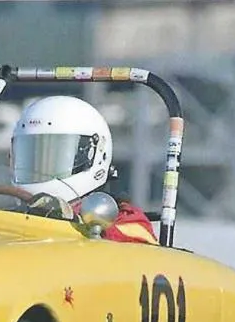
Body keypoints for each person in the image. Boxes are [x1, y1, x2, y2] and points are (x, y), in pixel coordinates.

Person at [10, 95, 158, 245]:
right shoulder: (13, 215)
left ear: (93, 154)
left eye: (56, 154)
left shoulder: (123, 219)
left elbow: (142, 246)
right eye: (30, 154)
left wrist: (78, 224)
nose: (39, 165)